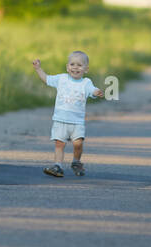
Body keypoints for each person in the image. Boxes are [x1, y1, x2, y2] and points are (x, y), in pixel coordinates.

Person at [31, 50, 103, 178]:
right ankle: (57, 165)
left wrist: (97, 92)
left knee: (78, 143)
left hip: (77, 122)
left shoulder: (86, 82)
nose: (75, 67)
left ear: (86, 69)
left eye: (80, 65)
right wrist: (38, 69)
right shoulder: (61, 78)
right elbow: (46, 79)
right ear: (67, 67)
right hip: (60, 119)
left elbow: (92, 90)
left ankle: (76, 162)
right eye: (72, 64)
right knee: (59, 143)